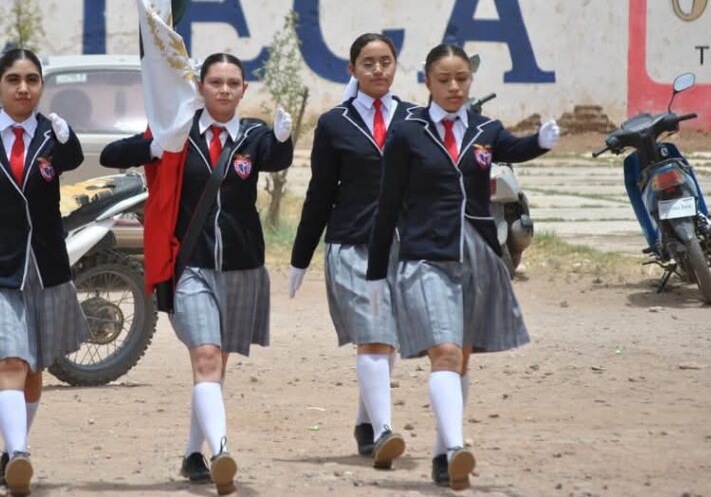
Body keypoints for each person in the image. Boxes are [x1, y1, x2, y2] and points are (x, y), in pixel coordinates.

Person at [367, 43, 559, 490]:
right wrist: (377, 273)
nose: (454, 87)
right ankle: (456, 449)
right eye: (444, 80)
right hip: (423, 256)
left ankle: (441, 451)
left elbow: (517, 146)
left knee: (462, 358)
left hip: (476, 255)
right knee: (446, 353)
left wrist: (542, 142)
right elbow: (388, 205)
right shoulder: (407, 133)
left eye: (462, 79)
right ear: (427, 82)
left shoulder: (485, 129)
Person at [100, 53, 293, 496]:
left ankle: (193, 454)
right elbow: (113, 154)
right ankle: (222, 450)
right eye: (216, 82)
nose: (224, 90)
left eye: (232, 83)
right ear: (200, 88)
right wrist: (154, 145)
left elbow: (273, 157)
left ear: (244, 90)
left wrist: (282, 139)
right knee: (206, 358)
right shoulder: (177, 133)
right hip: (190, 269)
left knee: (215, 369)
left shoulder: (251, 136)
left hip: (242, 267)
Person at [0, 47, 90, 497]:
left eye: (31, 79)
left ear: (42, 86)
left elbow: (73, 160)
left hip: (44, 267)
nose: (22, 88)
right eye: (13, 79)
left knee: (32, 370)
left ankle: (11, 454)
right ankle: (21, 450)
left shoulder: (52, 136)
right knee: (9, 361)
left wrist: (65, 139)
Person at [289, 32, 413, 467]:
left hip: (405, 247)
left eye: (385, 61)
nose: (378, 70)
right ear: (352, 69)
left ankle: (365, 421)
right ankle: (383, 432)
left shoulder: (416, 119)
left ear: (395, 66)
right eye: (368, 63)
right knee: (374, 338)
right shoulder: (334, 124)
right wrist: (300, 258)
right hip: (352, 245)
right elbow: (320, 193)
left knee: (388, 342)